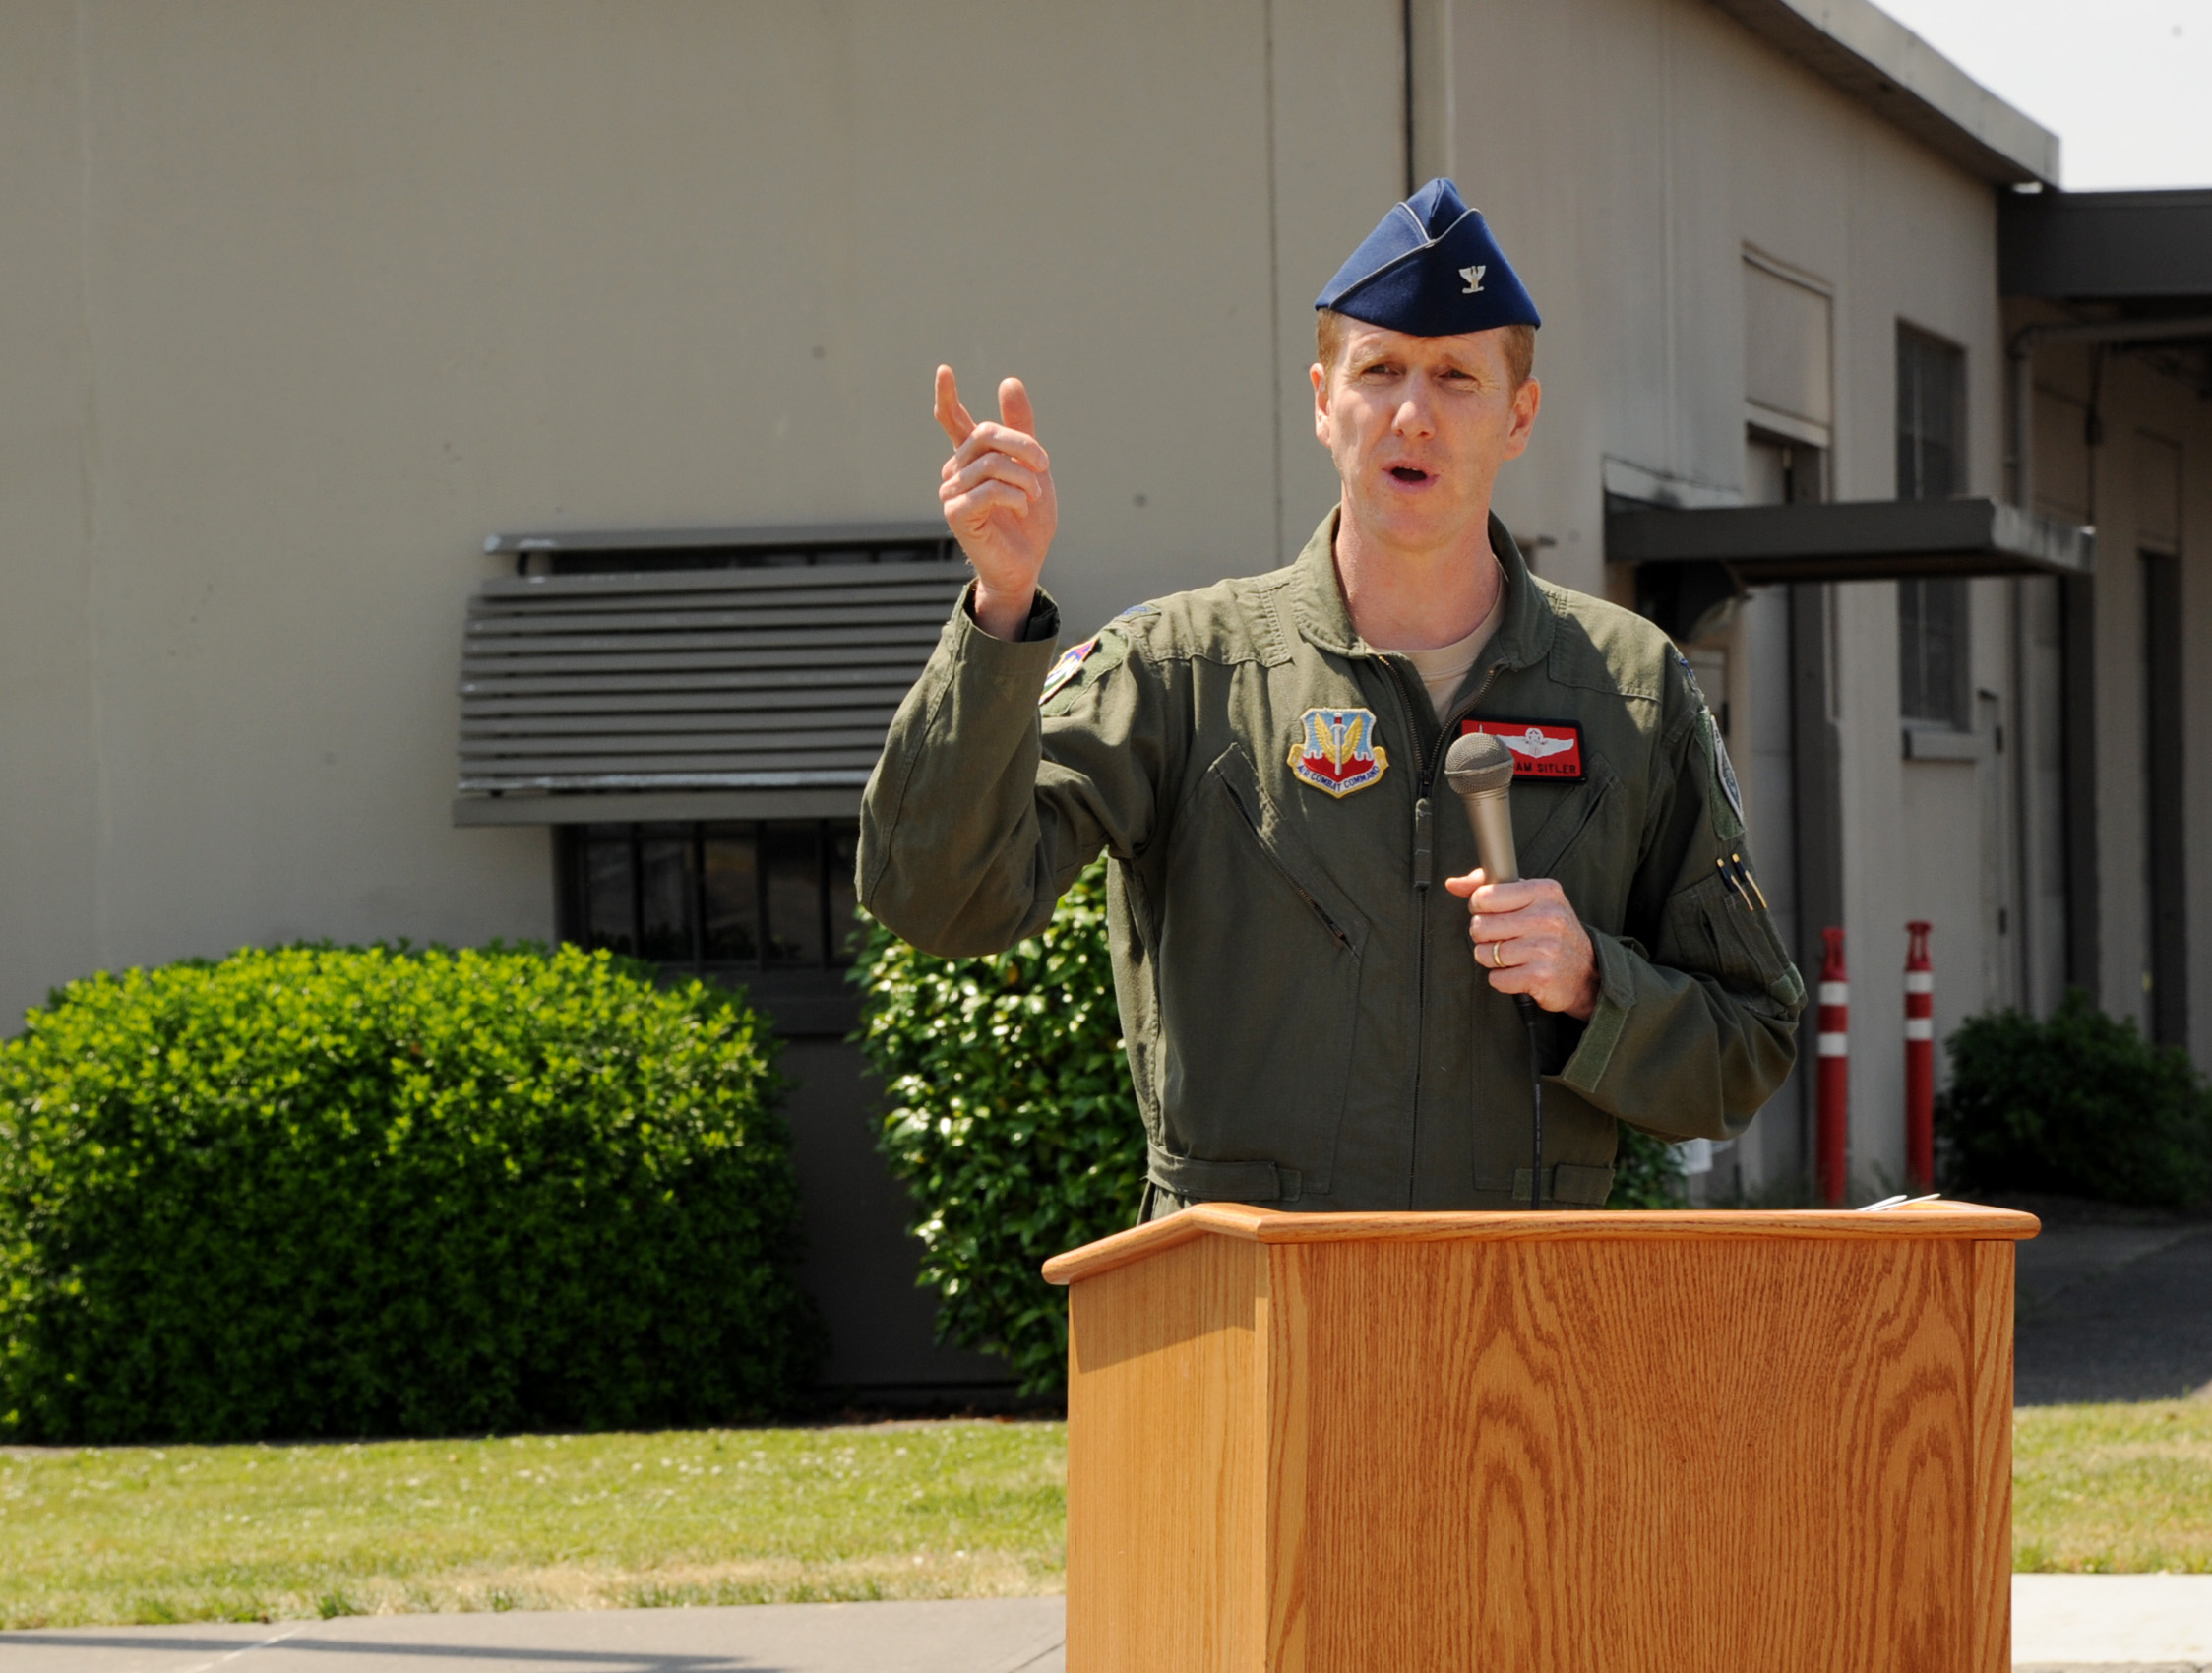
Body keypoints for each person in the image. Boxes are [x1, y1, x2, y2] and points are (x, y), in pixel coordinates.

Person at [858, 179, 1803, 1215]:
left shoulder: (1628, 688)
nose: (1412, 414)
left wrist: (1591, 983)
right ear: (1322, 400)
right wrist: (1001, 605)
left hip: (1513, 1301)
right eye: (1379, 370)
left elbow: (1747, 1046)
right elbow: (941, 900)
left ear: (1519, 416)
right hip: (1245, 1295)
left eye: (1456, 377)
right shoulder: (1182, 670)